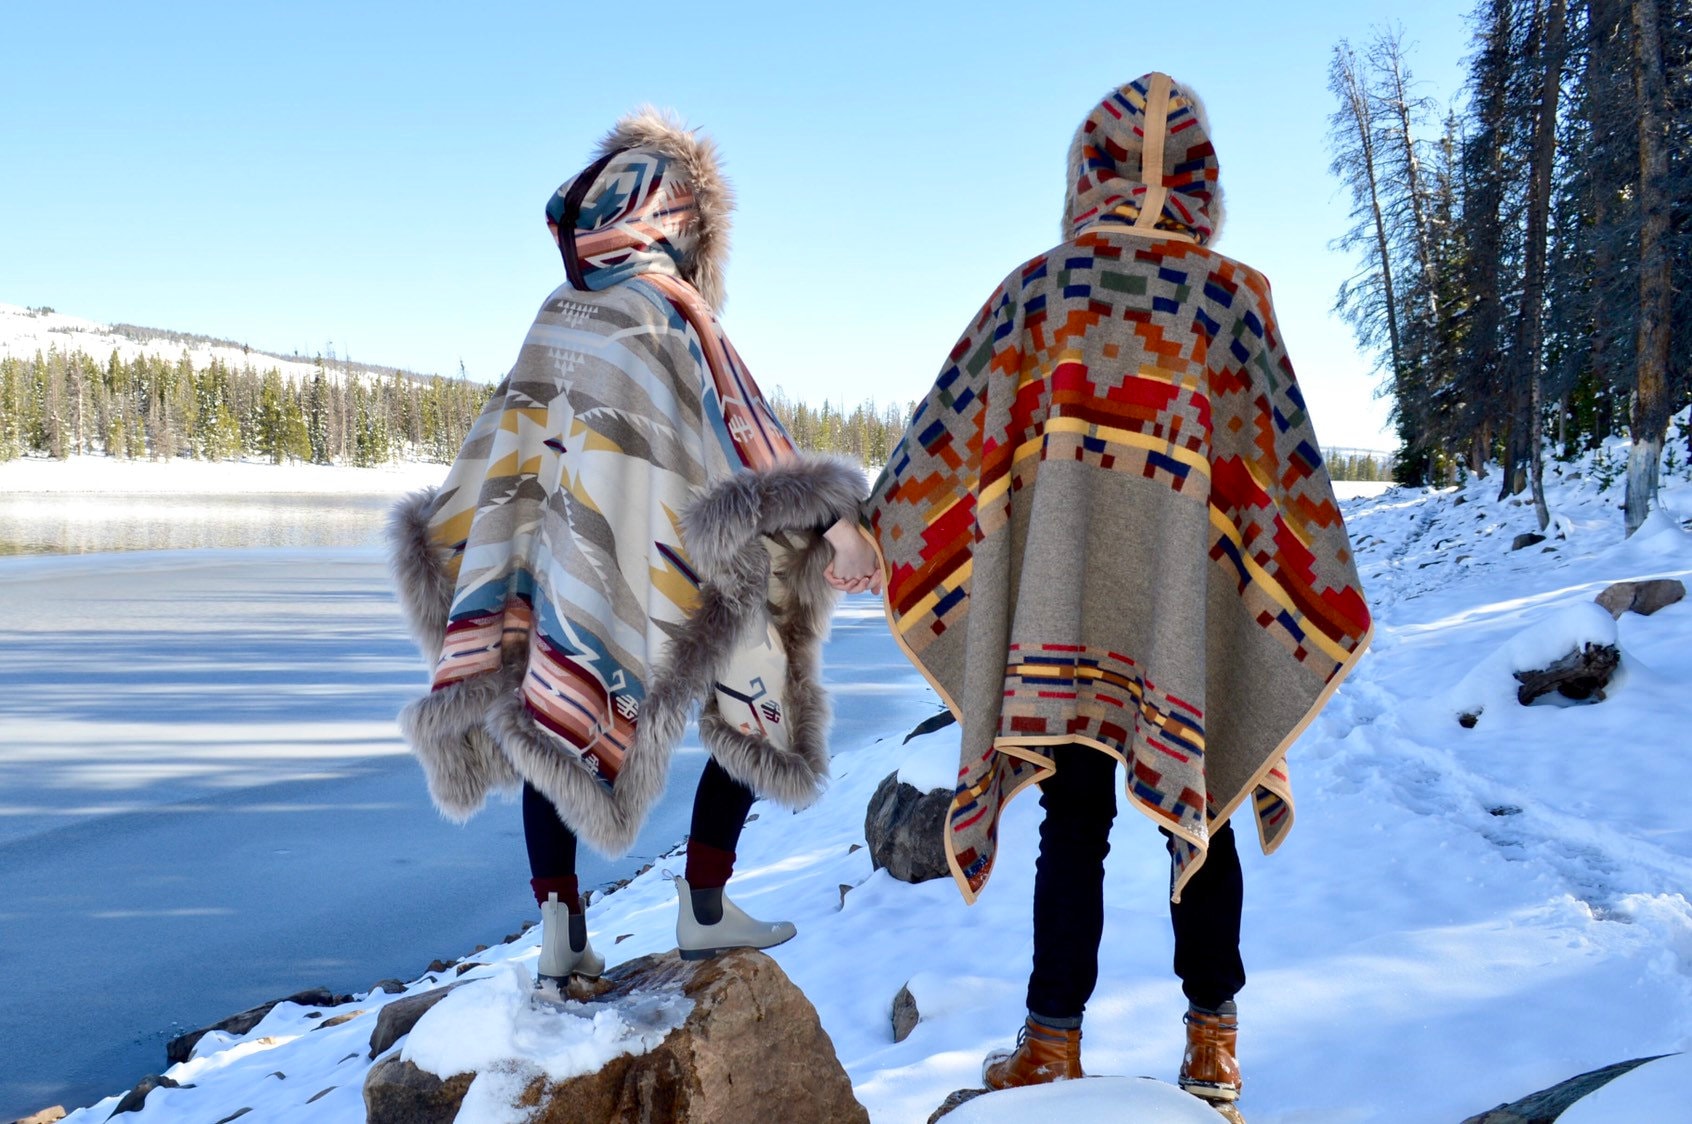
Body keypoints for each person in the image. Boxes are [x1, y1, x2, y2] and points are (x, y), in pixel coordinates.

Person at [865, 73, 1372, 1112]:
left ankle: (1052, 1042)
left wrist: (872, 523)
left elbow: (944, 445)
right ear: (1202, 180)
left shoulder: (1040, 291)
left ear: (1084, 172)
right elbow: (1284, 482)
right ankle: (1213, 1043)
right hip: (1176, 613)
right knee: (1203, 814)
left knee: (1073, 817)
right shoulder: (1230, 301)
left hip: (1065, 610)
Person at [389, 107, 881, 990]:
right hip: (663, 553)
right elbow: (746, 440)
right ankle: (703, 900)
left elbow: (509, 439)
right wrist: (835, 518)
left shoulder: (562, 310)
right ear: (677, 219)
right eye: (695, 224)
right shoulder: (670, 311)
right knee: (753, 672)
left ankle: (559, 921)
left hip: (565, 554)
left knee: (554, 682)